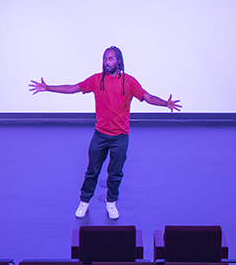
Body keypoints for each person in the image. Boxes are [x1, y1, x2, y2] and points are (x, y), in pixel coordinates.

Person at [29, 45, 181, 218]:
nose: (106, 62)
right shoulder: (96, 80)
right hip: (100, 135)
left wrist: (165, 103)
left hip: (120, 137)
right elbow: (73, 88)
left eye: (110, 59)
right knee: (92, 171)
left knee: (115, 173)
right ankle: (84, 202)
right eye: (104, 59)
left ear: (119, 61)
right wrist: (48, 88)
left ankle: (111, 203)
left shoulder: (129, 82)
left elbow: (147, 97)